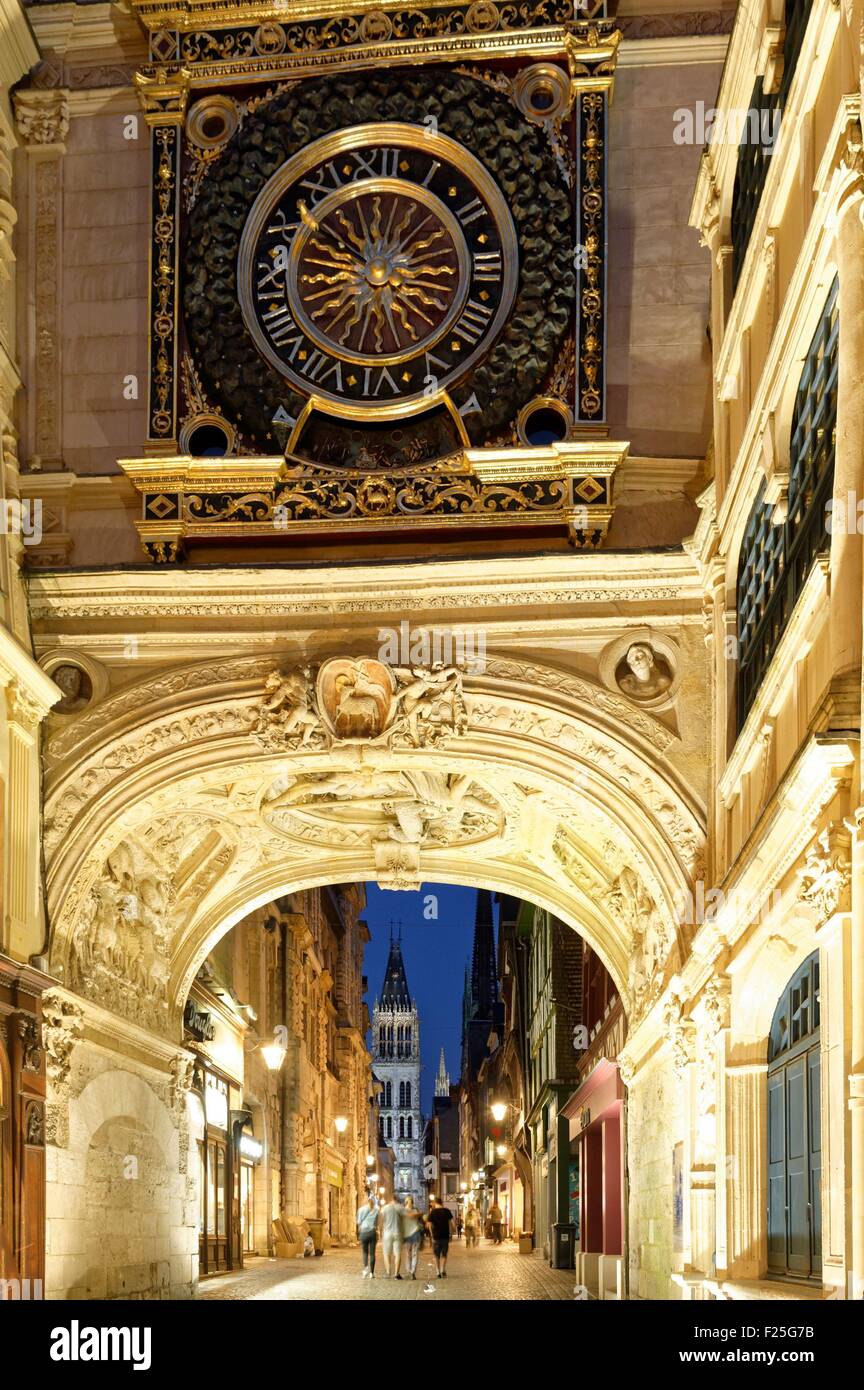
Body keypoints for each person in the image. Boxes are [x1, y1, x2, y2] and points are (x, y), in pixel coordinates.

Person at [425, 1197, 454, 1278]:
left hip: (436, 1236)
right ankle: (443, 1270)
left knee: (436, 1255)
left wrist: (431, 1234)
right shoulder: (447, 1211)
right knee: (444, 1254)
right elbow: (452, 1224)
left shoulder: (432, 1212)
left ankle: (438, 1272)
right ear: (442, 1203)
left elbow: (429, 1225)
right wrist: (451, 1234)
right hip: (445, 1236)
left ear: (435, 1203)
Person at [379, 1193, 404, 1279]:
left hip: (387, 1233)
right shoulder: (400, 1207)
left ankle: (388, 1272)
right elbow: (404, 1219)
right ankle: (396, 1274)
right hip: (397, 1232)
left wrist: (380, 1230)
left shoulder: (385, 1208)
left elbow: (381, 1220)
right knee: (397, 1254)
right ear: (397, 1199)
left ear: (390, 1199)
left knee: (386, 1253)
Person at [356, 1194, 379, 1279]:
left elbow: (358, 1222)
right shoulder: (376, 1210)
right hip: (372, 1233)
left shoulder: (361, 1210)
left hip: (364, 1233)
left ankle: (365, 1270)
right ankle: (372, 1273)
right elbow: (376, 1224)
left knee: (365, 1252)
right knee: (372, 1253)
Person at [401, 1196, 424, 1280]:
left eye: (411, 1202)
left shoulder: (408, 1210)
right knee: (412, 1254)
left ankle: (411, 1272)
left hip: (413, 1234)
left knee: (411, 1254)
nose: (410, 1203)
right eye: (410, 1202)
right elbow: (412, 1216)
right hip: (410, 1234)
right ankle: (411, 1271)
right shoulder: (409, 1211)